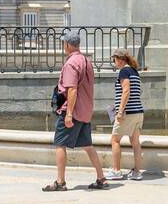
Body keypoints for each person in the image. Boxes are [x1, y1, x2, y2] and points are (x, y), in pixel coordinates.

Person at [43, 34, 107, 191]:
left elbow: (72, 90)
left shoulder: (71, 63)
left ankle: (60, 182)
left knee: (59, 144)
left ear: (67, 45)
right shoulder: (86, 61)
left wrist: (69, 114)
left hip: (73, 111)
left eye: (63, 43)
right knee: (87, 145)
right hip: (85, 111)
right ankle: (101, 178)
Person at [104, 50, 145, 182]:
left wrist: (120, 112)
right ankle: (137, 172)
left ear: (120, 59)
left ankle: (116, 171)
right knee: (135, 143)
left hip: (128, 113)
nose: (114, 63)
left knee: (115, 140)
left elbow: (126, 91)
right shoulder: (135, 72)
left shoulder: (124, 72)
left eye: (114, 60)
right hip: (138, 112)